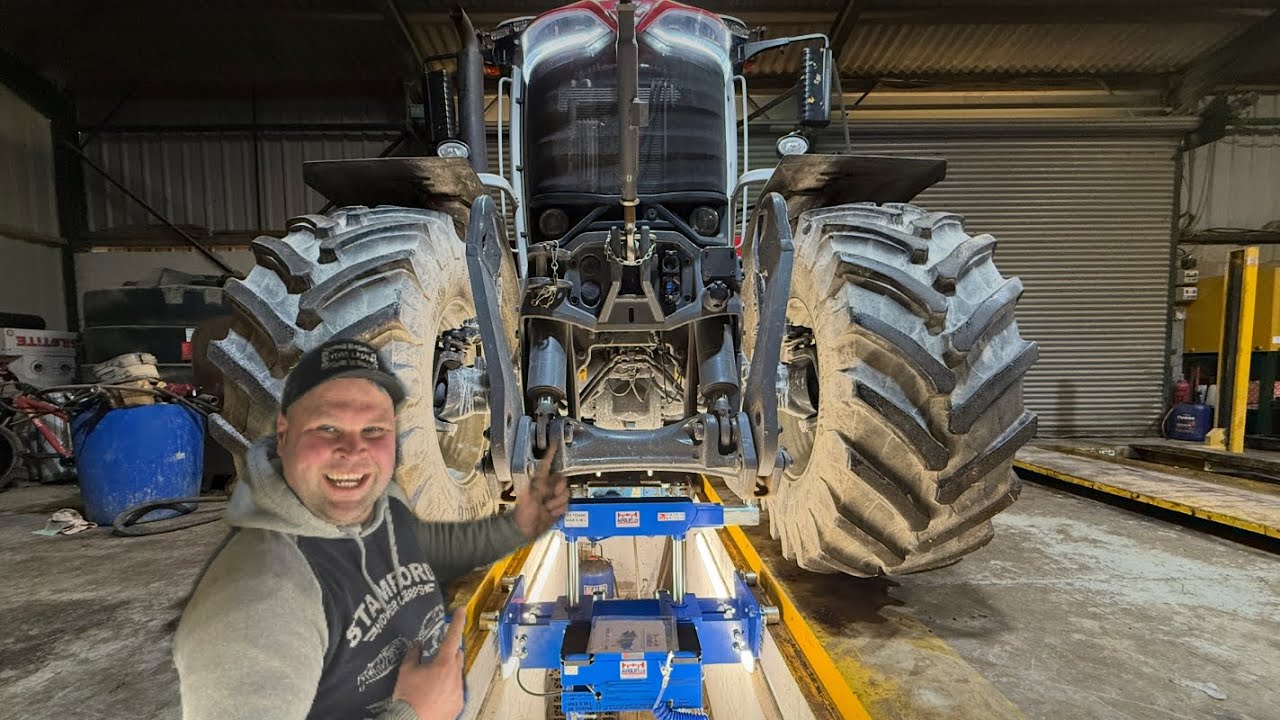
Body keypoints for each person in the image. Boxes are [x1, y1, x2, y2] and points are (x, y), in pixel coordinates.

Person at [174, 338, 568, 720]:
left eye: (374, 429)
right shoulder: (257, 599)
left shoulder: (384, 505)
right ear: (283, 433)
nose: (354, 451)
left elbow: (439, 544)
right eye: (327, 427)